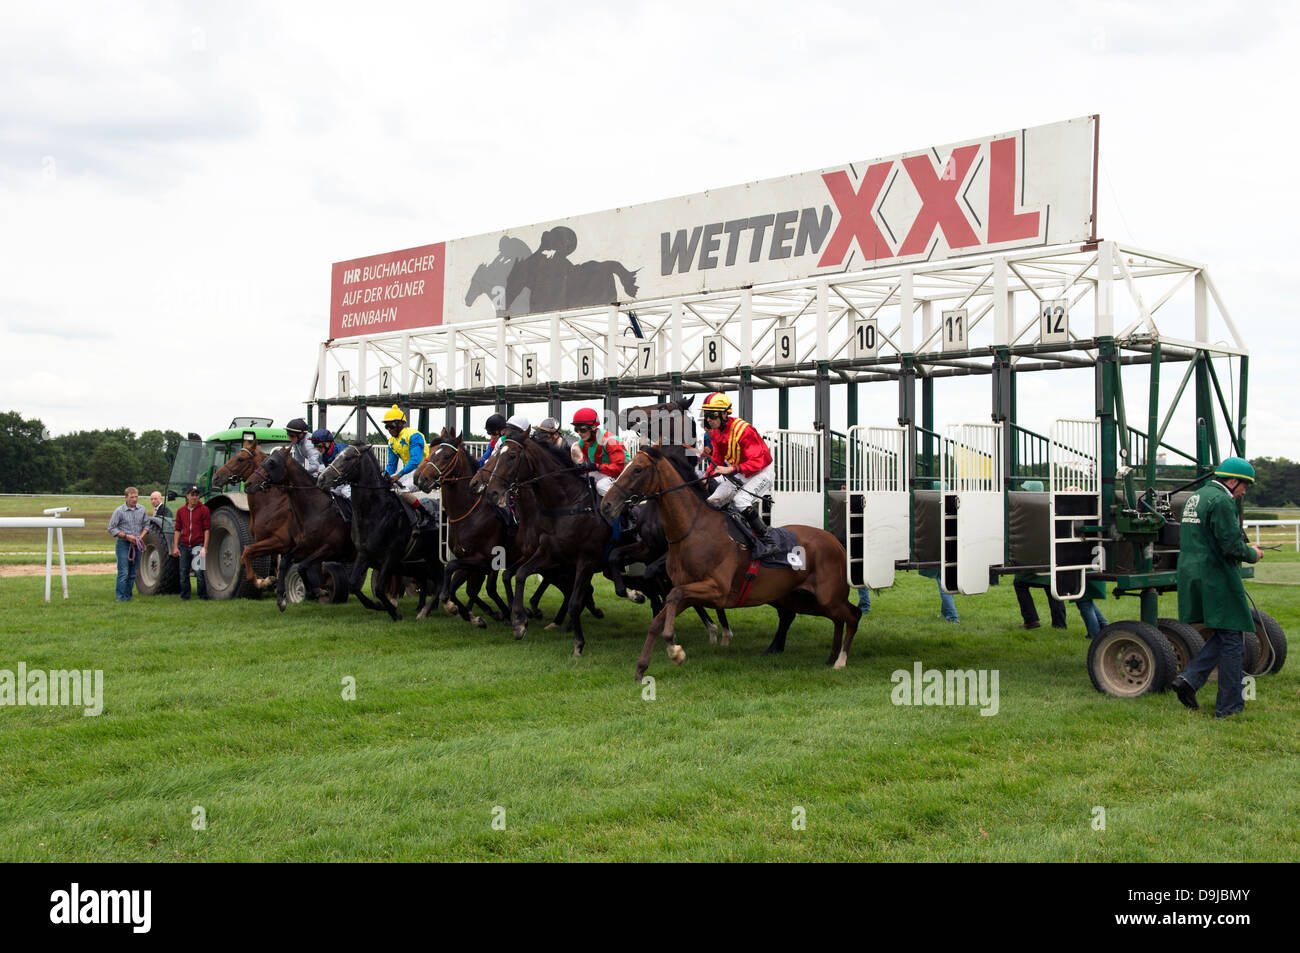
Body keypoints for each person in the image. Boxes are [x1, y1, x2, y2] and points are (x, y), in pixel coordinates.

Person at [1170, 457, 1263, 718]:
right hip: (1216, 575)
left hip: (1193, 571)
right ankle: (1229, 707)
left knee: (1225, 635)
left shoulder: (1196, 496)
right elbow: (1231, 546)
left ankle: (1188, 680)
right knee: (1234, 638)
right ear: (1232, 481)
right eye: (1244, 486)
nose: (1244, 492)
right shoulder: (1222, 501)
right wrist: (1253, 553)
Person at [699, 392, 776, 558]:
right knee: (712, 501)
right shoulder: (716, 432)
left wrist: (731, 470)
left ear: (725, 414)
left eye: (712, 415)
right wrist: (707, 476)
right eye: (706, 415)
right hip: (740, 471)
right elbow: (717, 460)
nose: (708, 420)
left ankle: (768, 541)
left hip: (762, 470)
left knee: (740, 500)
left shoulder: (745, 431)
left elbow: (758, 462)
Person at [571, 407, 626, 499]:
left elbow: (618, 468)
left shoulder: (610, 441)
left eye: (583, 429)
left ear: (593, 427)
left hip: (623, 474)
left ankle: (631, 510)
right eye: (576, 429)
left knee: (602, 486)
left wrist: (597, 466)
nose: (579, 433)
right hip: (605, 472)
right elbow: (588, 466)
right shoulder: (582, 442)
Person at [107, 486, 148, 601]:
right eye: (131, 497)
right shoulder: (119, 511)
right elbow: (111, 528)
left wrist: (141, 536)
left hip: (137, 544)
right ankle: (120, 598)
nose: (134, 499)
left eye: (136, 497)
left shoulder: (142, 509)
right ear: (126, 498)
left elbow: (147, 525)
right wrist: (126, 536)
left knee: (133, 573)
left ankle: (128, 596)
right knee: (124, 572)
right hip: (124, 544)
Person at [171, 485, 211, 600]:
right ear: (187, 496)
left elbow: (206, 530)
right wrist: (175, 547)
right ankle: (185, 596)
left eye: (196, 495)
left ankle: (202, 597)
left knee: (199, 572)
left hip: (198, 544)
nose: (194, 497)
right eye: (192, 495)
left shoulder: (204, 510)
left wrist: (205, 547)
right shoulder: (181, 511)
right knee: (183, 573)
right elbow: (177, 530)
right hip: (184, 545)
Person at [381, 405, 427, 491]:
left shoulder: (414, 436)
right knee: (384, 486)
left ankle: (419, 505)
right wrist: (385, 475)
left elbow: (415, 461)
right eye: (386, 427)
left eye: (392, 426)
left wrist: (399, 475)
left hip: (424, 471)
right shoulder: (391, 441)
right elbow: (391, 465)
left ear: (400, 423)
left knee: (401, 490)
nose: (389, 429)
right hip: (408, 471)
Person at [310, 428, 350, 499]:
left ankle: (359, 510)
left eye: (319, 445)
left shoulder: (341, 451)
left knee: (345, 492)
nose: (317, 449)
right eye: (315, 446)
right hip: (343, 480)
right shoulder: (324, 456)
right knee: (331, 491)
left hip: (354, 479)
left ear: (328, 443)